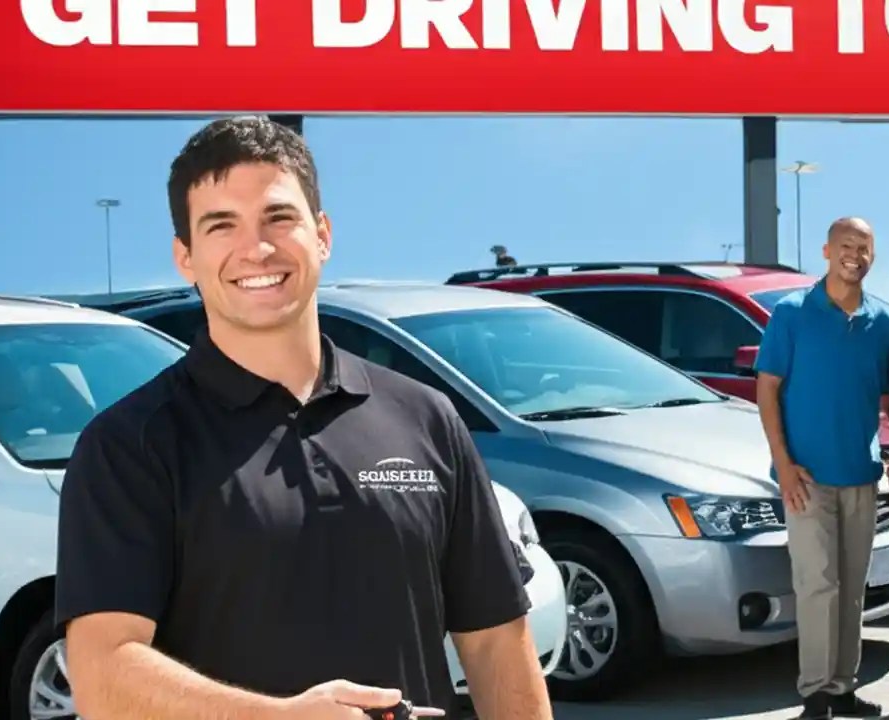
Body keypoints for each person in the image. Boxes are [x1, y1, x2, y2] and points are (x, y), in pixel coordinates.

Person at [54, 116, 553, 720]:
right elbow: (104, 676)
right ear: (185, 256)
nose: (256, 248)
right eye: (221, 226)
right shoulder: (130, 444)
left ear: (322, 234)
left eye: (278, 218)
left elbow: (497, 641)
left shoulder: (425, 418)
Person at [754, 216, 889, 720]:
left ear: (872, 255)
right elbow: (766, 389)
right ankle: (815, 693)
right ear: (826, 250)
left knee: (853, 586)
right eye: (845, 245)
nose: (854, 254)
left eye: (864, 247)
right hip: (806, 479)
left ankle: (842, 687)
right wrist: (784, 465)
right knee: (818, 585)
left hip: (862, 473)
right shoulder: (791, 314)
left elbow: (886, 399)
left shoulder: (882, 324)